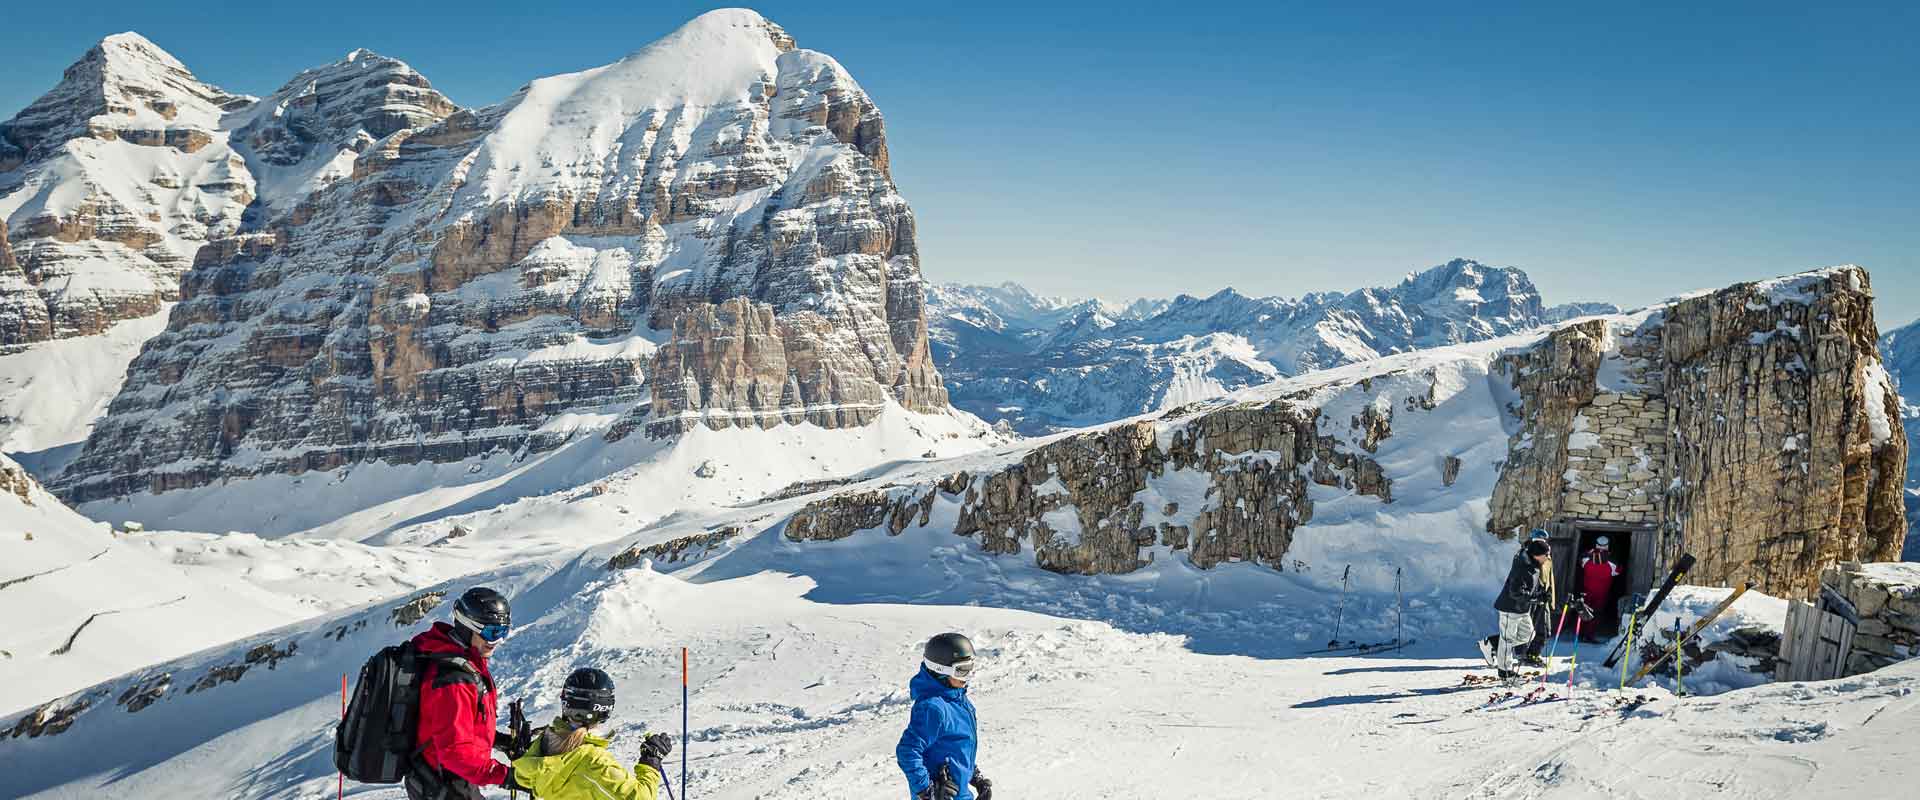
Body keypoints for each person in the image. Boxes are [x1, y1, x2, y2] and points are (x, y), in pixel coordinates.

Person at [407, 586, 521, 800]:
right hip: (444, 783)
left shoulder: (461, 662)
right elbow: (454, 752)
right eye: (491, 632)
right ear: (468, 627)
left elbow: (457, 727)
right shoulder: (453, 679)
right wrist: (507, 776)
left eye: (503, 632)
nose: (497, 641)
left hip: (444, 780)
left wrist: (500, 740)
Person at [509, 667, 675, 800]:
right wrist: (650, 762)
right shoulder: (593, 761)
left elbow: (523, 778)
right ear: (606, 709)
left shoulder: (545, 742)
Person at [897, 633, 992, 800]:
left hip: (959, 794)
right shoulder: (933, 708)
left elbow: (954, 748)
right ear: (940, 670)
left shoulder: (959, 700)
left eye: (970, 668)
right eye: (962, 671)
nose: (968, 677)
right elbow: (908, 751)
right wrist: (927, 791)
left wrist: (974, 776)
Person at [1491, 539, 1551, 681]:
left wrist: (1541, 594)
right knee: (1507, 640)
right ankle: (1505, 671)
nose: (1547, 557)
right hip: (1510, 607)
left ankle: (1494, 643)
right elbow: (1516, 592)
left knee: (1528, 635)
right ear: (1537, 554)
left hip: (1522, 608)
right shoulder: (1523, 567)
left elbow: (1530, 587)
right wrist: (1535, 598)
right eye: (1545, 554)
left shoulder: (1533, 563)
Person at [1519, 529, 1554, 667]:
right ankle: (1495, 645)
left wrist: (1550, 596)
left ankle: (1533, 654)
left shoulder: (1546, 556)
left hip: (1542, 597)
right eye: (1538, 541)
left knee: (1544, 629)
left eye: (1544, 541)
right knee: (1524, 630)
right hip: (1531, 597)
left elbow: (1548, 578)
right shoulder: (1525, 556)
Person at [1580, 537, 1622, 643]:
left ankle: (1581, 633)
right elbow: (1618, 572)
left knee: (1583, 610)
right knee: (1596, 613)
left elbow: (1581, 564)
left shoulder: (1586, 557)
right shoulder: (1612, 561)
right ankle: (1589, 635)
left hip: (1587, 589)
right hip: (1602, 591)